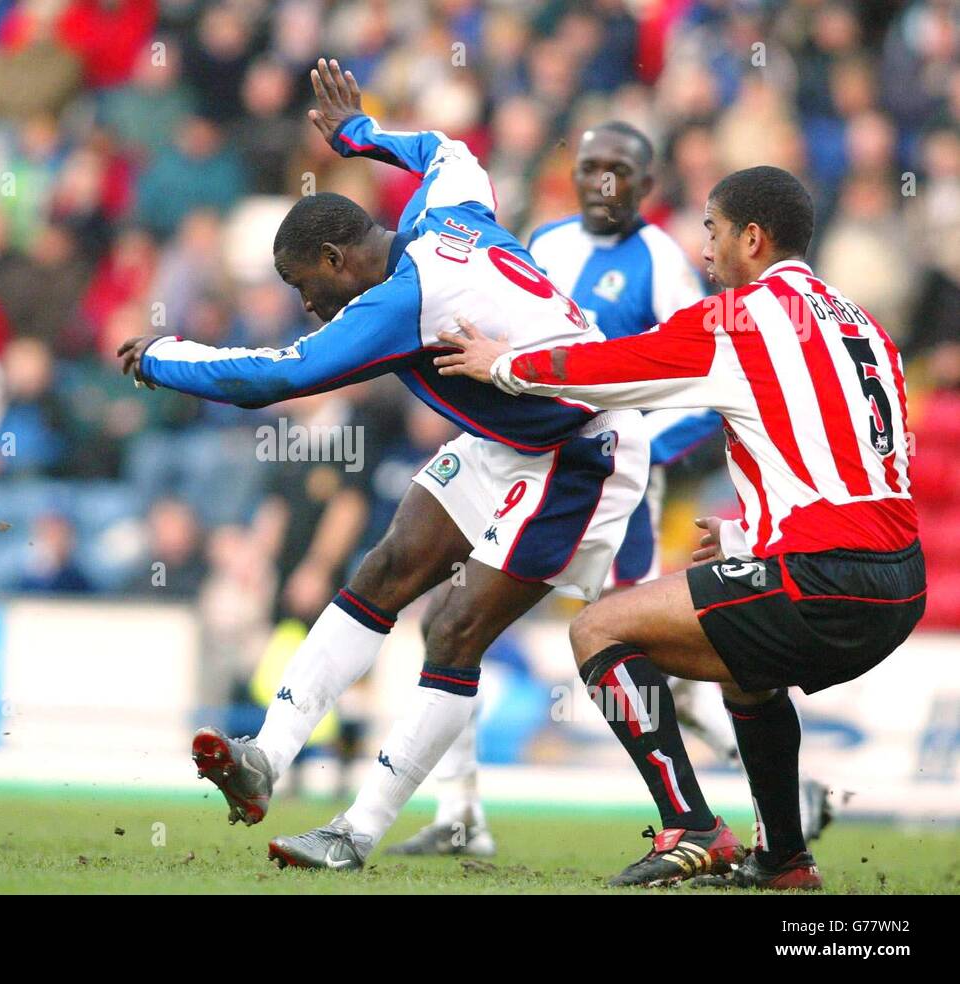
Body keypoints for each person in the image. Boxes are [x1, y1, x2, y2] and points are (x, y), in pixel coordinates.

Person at [119, 59, 651, 870]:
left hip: (581, 449)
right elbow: (447, 148)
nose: (308, 306)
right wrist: (360, 135)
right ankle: (267, 755)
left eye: (305, 286)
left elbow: (276, 379)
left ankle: (356, 830)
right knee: (388, 566)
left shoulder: (399, 303)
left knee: (453, 627)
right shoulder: (449, 209)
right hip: (513, 435)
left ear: (336, 259)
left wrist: (164, 356)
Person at [435, 165, 924, 889]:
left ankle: (689, 827)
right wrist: (742, 537)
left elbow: (609, 368)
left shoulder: (739, 318)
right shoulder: (864, 326)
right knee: (745, 674)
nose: (704, 248)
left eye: (712, 230)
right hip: (902, 584)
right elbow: (862, 463)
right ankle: (786, 862)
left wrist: (500, 363)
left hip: (825, 579)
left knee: (598, 629)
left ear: (751, 239)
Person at [390, 123, 830, 858]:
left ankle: (774, 799)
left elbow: (706, 381)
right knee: (448, 620)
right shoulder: (546, 245)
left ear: (645, 183)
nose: (602, 182)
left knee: (640, 652)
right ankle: (460, 811)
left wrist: (641, 450)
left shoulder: (664, 260)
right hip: (535, 472)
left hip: (615, 490)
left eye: (619, 170)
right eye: (591, 167)